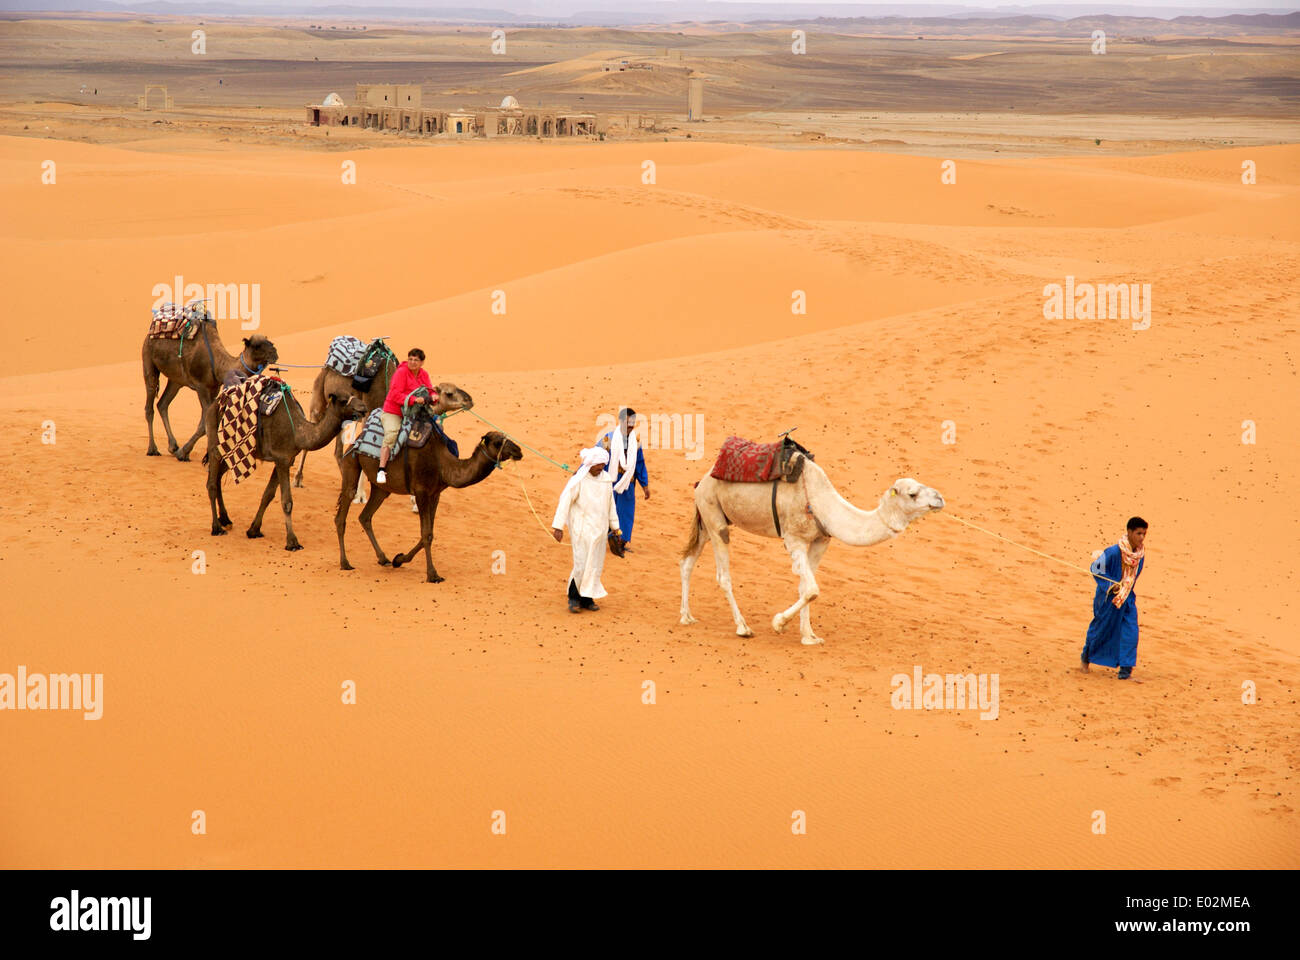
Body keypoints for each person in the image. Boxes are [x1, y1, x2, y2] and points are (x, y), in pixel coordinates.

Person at [551, 447, 622, 613]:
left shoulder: (605, 480)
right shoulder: (579, 480)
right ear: (589, 464)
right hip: (581, 530)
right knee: (581, 564)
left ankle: (587, 599)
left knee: (594, 565)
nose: (600, 468)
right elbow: (565, 501)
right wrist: (558, 526)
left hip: (600, 531)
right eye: (597, 465)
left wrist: (616, 528)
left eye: (602, 465)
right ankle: (574, 598)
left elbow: (611, 505)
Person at [1081, 517, 1148, 681]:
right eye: (1138, 533)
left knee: (1131, 632)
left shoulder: (1140, 555)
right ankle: (1086, 658)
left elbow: (1133, 576)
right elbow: (1095, 569)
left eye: (1144, 534)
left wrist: (1124, 589)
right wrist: (1111, 586)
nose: (1141, 537)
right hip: (1108, 599)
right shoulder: (1113, 552)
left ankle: (1125, 672)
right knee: (1100, 630)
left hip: (1127, 599)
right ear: (1130, 532)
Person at [376, 348, 435, 486]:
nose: (413, 362)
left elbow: (429, 390)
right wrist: (414, 399)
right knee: (392, 433)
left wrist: (434, 397)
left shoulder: (423, 374)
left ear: (422, 362)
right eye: (411, 359)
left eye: (416, 360)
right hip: (394, 411)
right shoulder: (401, 373)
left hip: (414, 412)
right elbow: (395, 394)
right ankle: (381, 469)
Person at [597, 407, 649, 551]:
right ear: (621, 421)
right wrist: (582, 469)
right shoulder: (609, 438)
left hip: (627, 482)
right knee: (606, 510)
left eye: (633, 422)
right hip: (610, 481)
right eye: (628, 422)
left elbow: (640, 464)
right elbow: (596, 456)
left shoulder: (636, 442)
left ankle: (621, 542)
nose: (631, 425)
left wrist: (645, 486)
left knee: (626, 512)